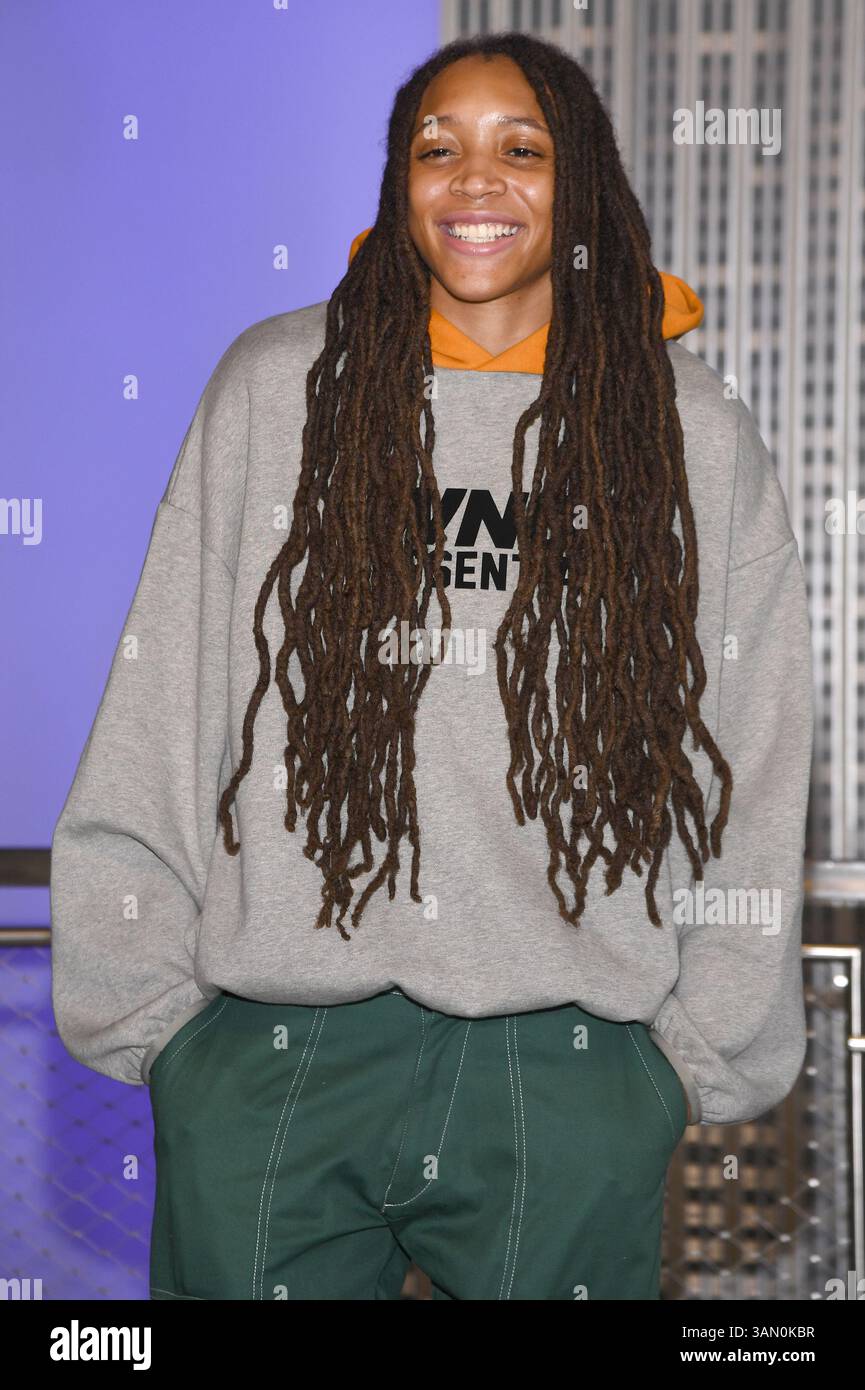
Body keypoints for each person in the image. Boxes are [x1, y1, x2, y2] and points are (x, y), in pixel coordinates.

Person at [50, 32, 814, 1301]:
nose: (475, 181)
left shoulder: (690, 431)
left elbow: (753, 747)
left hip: (569, 1061)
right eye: (435, 149)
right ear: (398, 185)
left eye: (522, 149)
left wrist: (681, 1065)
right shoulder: (276, 387)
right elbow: (165, 699)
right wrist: (165, 1031)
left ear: (584, 188)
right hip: (275, 1051)